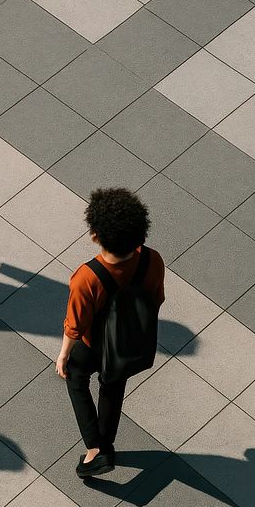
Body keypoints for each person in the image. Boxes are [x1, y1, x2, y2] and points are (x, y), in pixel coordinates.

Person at [56, 188, 165, 478]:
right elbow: (157, 299)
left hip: (95, 344)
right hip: (129, 343)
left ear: (95, 236)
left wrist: (64, 355)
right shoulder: (152, 260)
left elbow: (75, 325)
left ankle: (96, 447)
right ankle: (104, 446)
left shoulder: (87, 277)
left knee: (76, 376)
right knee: (113, 385)